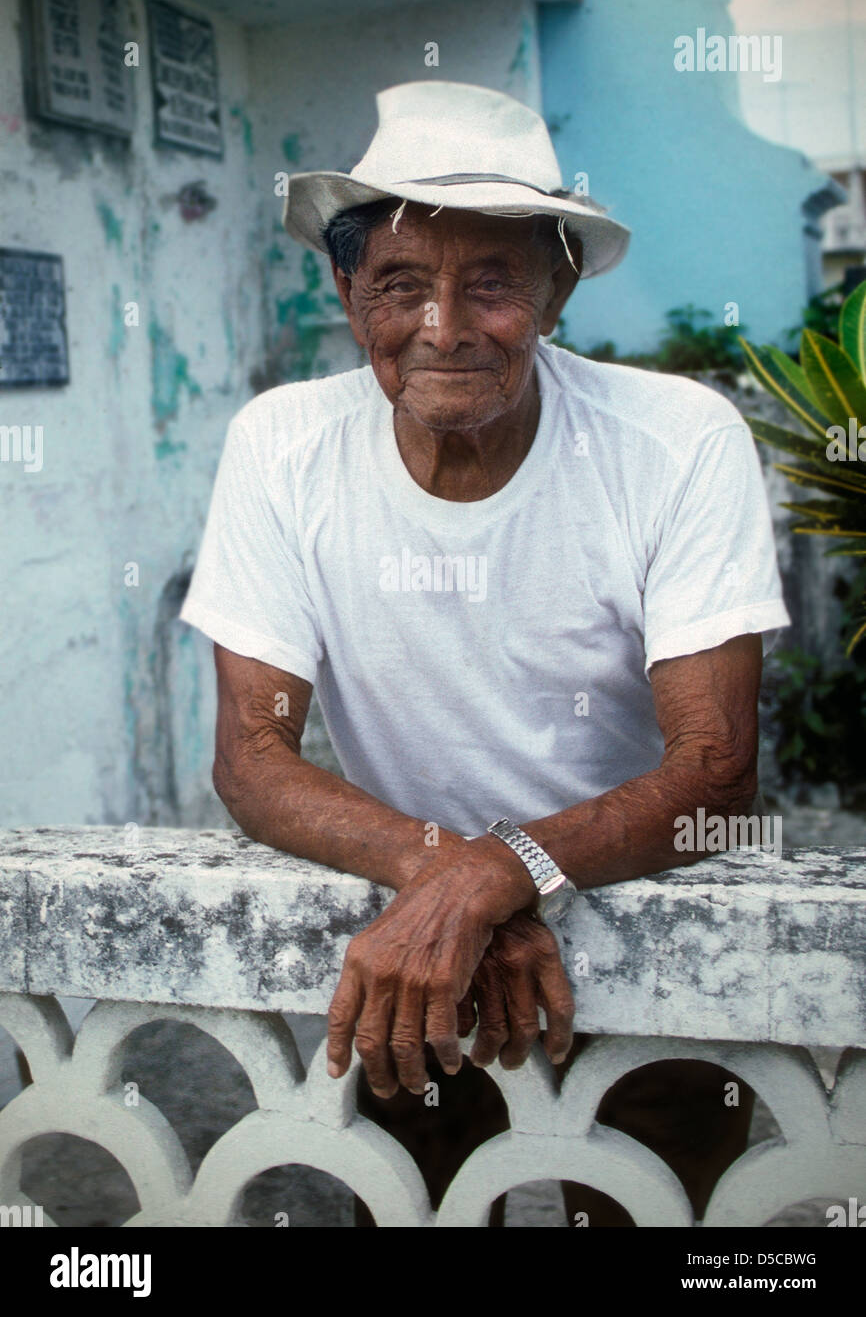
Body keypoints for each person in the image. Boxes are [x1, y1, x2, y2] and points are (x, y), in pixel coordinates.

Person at [180, 81, 790, 1224]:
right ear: (347, 292)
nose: (443, 326)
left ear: (556, 288)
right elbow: (252, 758)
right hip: (424, 955)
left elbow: (713, 766)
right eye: (400, 283)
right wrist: (448, 874)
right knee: (416, 1204)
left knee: (657, 1216)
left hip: (645, 935)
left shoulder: (674, 440)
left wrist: (494, 870)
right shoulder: (280, 447)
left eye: (492, 283)